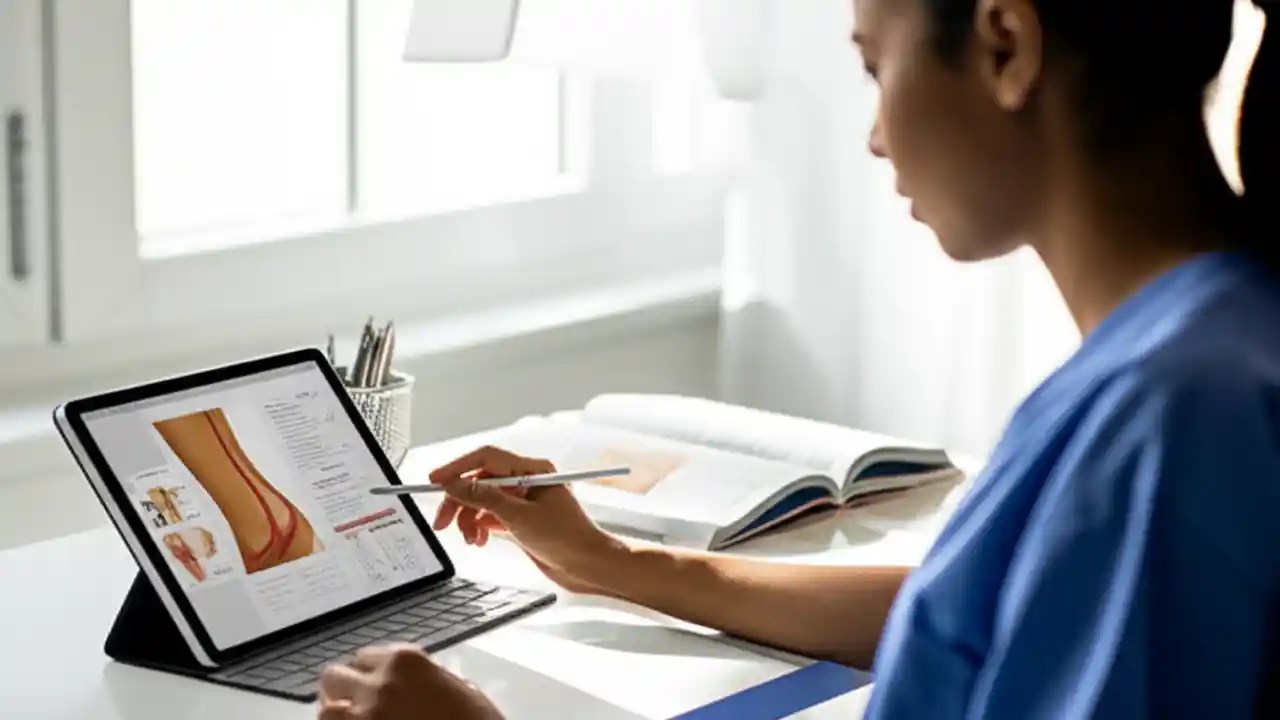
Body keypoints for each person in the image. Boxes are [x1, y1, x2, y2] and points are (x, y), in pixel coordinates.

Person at [317, 0, 1280, 717]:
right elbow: (985, 606)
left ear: (1004, 45)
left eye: (874, 67)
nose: (872, 137)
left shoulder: (1174, 417)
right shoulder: (1200, 350)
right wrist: (616, 562)